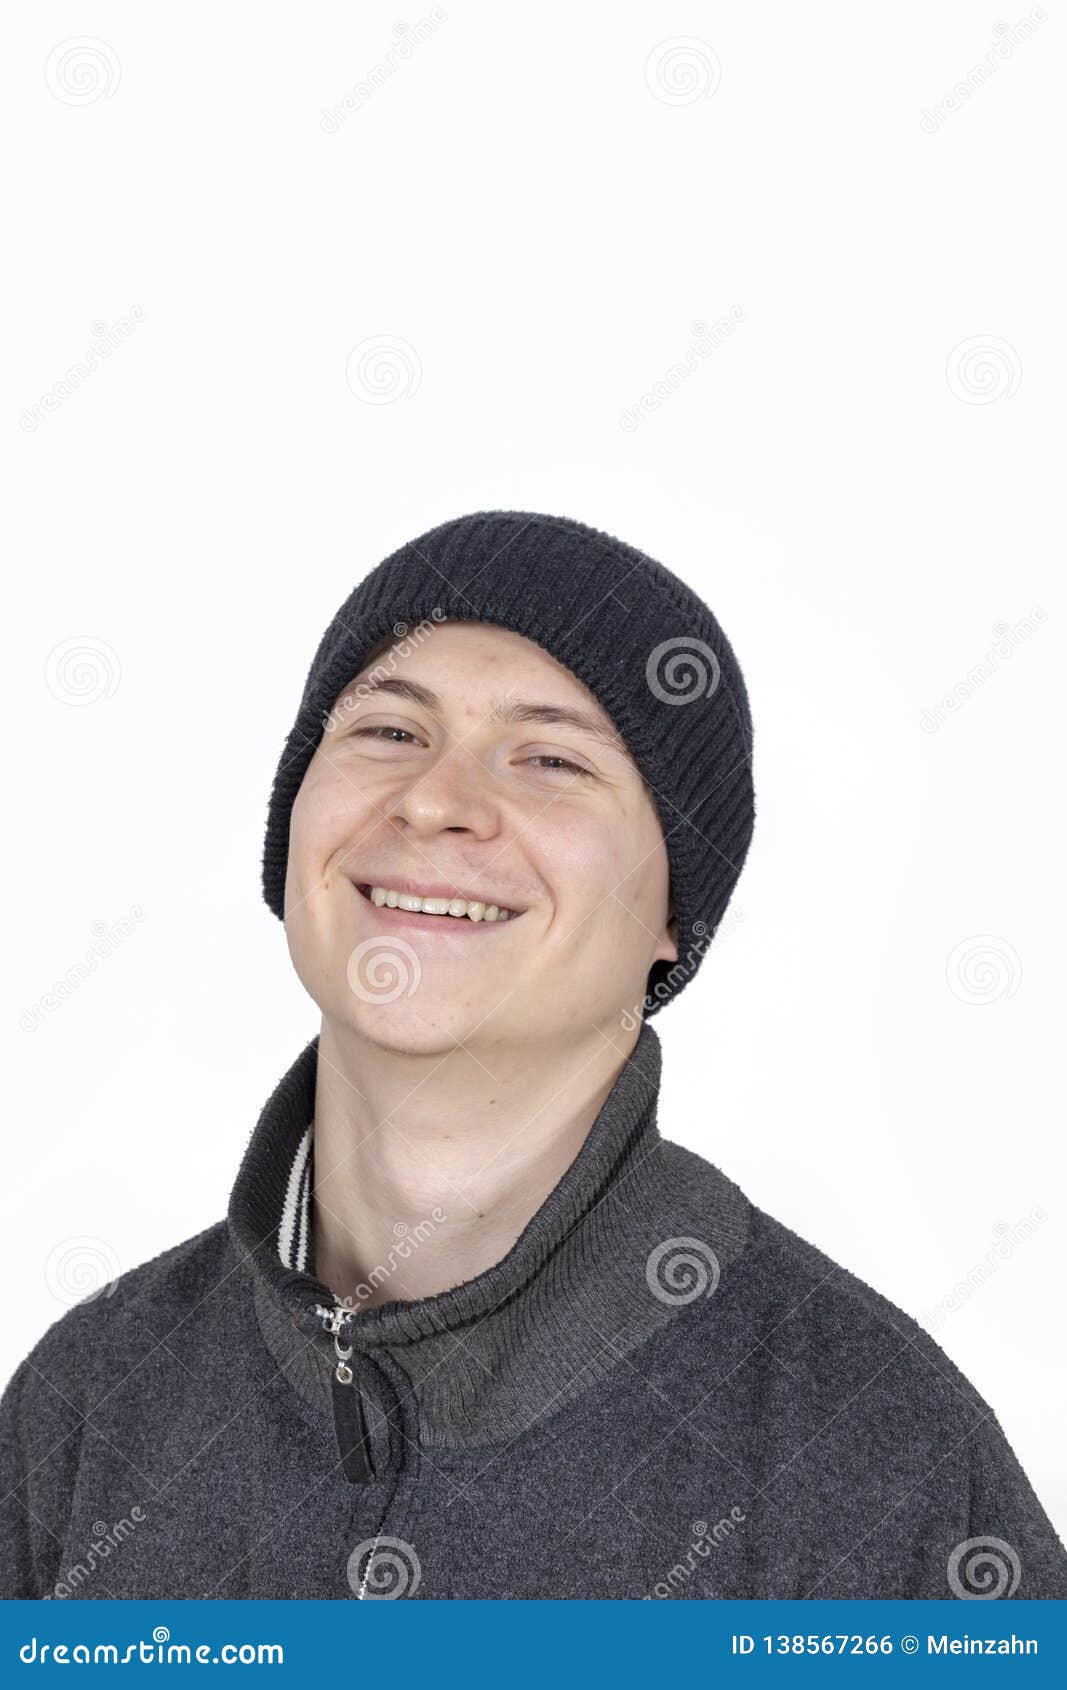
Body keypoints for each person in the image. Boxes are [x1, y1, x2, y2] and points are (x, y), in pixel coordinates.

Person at [2, 510, 1063, 1601]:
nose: (435, 800)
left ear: (670, 913)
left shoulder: (873, 1459)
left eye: (550, 758)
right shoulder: (87, 1407)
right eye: (387, 731)